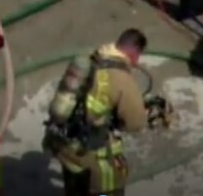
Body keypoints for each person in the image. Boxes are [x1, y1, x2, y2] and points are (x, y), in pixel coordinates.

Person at [44, 28, 152, 196]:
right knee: (109, 186)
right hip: (89, 152)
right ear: (135, 51)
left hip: (63, 144)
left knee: (74, 188)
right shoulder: (122, 79)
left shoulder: (89, 59)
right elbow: (135, 123)